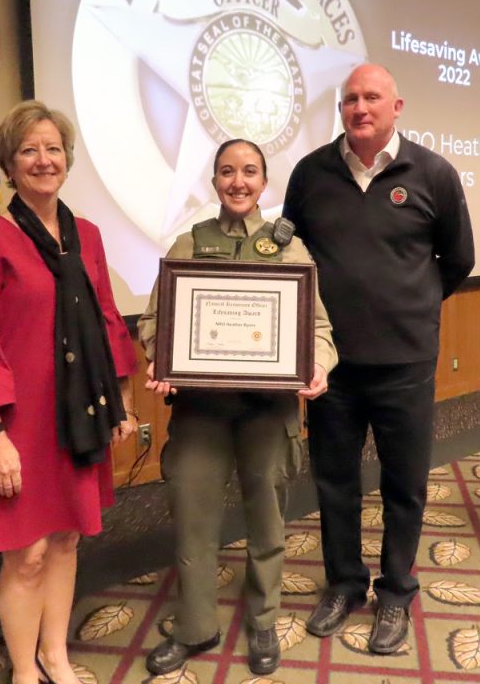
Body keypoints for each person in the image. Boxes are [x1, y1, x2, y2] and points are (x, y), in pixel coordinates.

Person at [0, 100, 138, 684]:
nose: (43, 159)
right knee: (24, 555)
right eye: (29, 150)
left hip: (78, 412)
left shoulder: (89, 236)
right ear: (9, 162)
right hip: (17, 421)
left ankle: (56, 655)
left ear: (68, 159)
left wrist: (121, 399)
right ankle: (25, 670)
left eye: (53, 148)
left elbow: (106, 320)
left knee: (68, 539)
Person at [282, 64, 474, 654]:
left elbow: (458, 259)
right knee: (335, 481)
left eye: (371, 98)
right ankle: (343, 582)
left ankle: (395, 593)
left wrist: (408, 307)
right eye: (349, 100)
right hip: (330, 364)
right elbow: (290, 253)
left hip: (406, 363)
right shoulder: (310, 173)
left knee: (404, 484)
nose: (359, 108)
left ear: (397, 106)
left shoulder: (433, 173)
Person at [137, 139, 337, 676]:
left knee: (267, 518)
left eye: (250, 171)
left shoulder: (290, 249)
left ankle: (264, 619)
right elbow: (156, 323)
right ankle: (196, 625)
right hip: (201, 411)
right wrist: (163, 359)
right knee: (192, 519)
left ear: (264, 182)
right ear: (215, 181)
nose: (238, 181)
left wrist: (316, 366)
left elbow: (318, 329)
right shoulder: (188, 244)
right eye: (227, 171)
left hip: (267, 412)